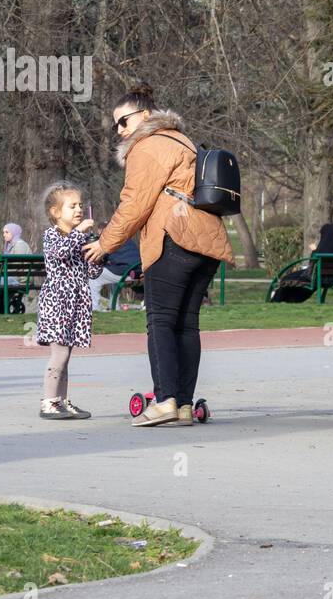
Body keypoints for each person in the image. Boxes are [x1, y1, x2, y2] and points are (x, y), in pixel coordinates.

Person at [83, 83, 233, 427]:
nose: (119, 131)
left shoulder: (147, 146)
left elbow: (134, 205)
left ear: (145, 115)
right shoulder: (184, 141)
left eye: (123, 122)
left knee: (161, 321)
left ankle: (164, 399)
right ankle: (183, 404)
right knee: (186, 324)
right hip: (205, 242)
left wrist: (104, 244)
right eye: (115, 126)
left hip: (174, 239)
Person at [36, 183, 103, 420]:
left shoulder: (79, 238)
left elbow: (92, 273)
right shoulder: (52, 235)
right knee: (59, 355)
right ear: (56, 213)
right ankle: (49, 402)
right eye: (72, 206)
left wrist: (99, 253)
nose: (79, 210)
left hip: (76, 303)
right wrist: (79, 233)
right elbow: (61, 253)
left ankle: (61, 401)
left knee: (66, 357)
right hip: (58, 302)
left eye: (80, 205)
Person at [89, 236, 140, 311]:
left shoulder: (107, 240)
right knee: (111, 276)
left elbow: (102, 259)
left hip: (126, 271)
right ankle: (114, 306)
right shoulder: (127, 238)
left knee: (94, 278)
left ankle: (95, 308)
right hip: (137, 270)